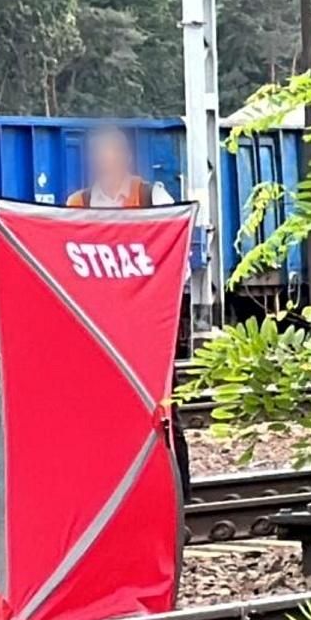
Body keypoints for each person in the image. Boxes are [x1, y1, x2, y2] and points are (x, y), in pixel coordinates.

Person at [66, 126, 191, 500]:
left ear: (125, 158)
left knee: (163, 412)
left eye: (112, 154)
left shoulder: (152, 197)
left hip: (148, 331)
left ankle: (176, 493)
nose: (106, 162)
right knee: (102, 415)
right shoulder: (77, 204)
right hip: (98, 331)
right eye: (99, 155)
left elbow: (178, 261)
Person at [68, 126, 176, 208]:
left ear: (128, 157)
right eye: (98, 153)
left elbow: (175, 232)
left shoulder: (153, 197)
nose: (104, 159)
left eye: (114, 151)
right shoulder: (77, 203)